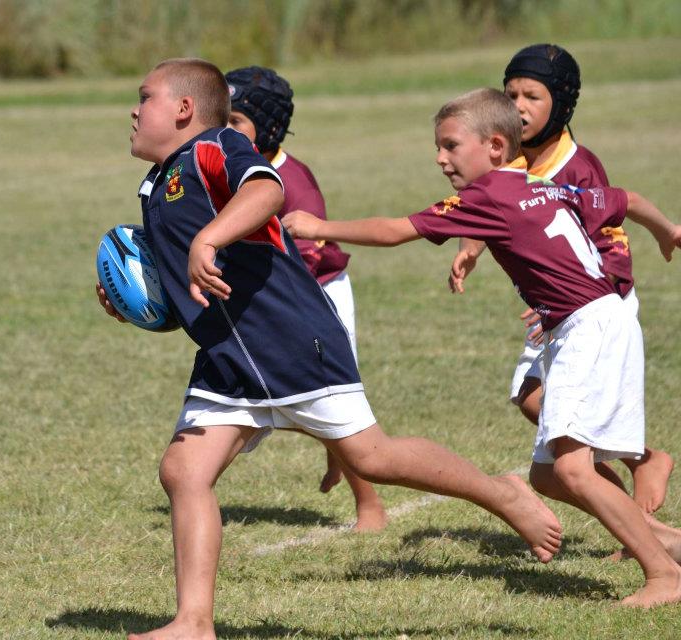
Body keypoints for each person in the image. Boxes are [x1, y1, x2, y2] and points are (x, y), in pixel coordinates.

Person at [97, 59, 562, 640]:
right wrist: (142, 303)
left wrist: (210, 236)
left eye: (146, 97)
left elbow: (266, 189)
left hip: (290, 342)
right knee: (183, 471)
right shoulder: (155, 185)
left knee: (373, 459)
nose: (135, 110)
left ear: (184, 110)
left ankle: (504, 495)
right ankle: (193, 622)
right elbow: (194, 286)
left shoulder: (216, 148)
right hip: (227, 358)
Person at [282, 87, 681, 608]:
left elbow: (395, 230)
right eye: (438, 147)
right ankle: (668, 543)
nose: (440, 158)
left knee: (573, 470)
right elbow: (624, 199)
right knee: (548, 475)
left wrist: (318, 227)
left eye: (450, 146)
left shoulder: (488, 194)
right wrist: (667, 230)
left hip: (590, 326)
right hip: (586, 322)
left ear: (495, 146)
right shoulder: (541, 185)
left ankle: (663, 577)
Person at [447, 43, 673, 514]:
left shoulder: (578, 167)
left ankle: (641, 473)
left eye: (532, 96)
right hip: (558, 307)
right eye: (510, 95)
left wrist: (584, 295)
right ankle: (633, 487)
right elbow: (499, 207)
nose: (518, 107)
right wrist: (470, 248)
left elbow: (609, 243)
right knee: (535, 402)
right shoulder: (507, 155)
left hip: (594, 301)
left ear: (561, 104)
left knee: (557, 442)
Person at [224, 65, 386, 532]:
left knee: (335, 409)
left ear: (270, 127)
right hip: (266, 303)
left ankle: (369, 504)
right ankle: (194, 484)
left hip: (316, 300)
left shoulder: (291, 181)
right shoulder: (227, 169)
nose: (224, 131)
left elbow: (309, 257)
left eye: (235, 121)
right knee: (261, 398)